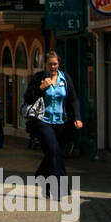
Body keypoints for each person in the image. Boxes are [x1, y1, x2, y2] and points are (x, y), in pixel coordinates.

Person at [23, 51, 83, 181]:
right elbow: (28, 98)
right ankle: (60, 185)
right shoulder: (38, 77)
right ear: (45, 65)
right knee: (54, 151)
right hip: (43, 121)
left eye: (55, 64)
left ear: (59, 64)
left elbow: (73, 99)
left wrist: (77, 118)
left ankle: (42, 176)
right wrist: (41, 88)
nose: (53, 67)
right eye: (50, 64)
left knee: (53, 153)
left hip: (62, 122)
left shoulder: (65, 78)